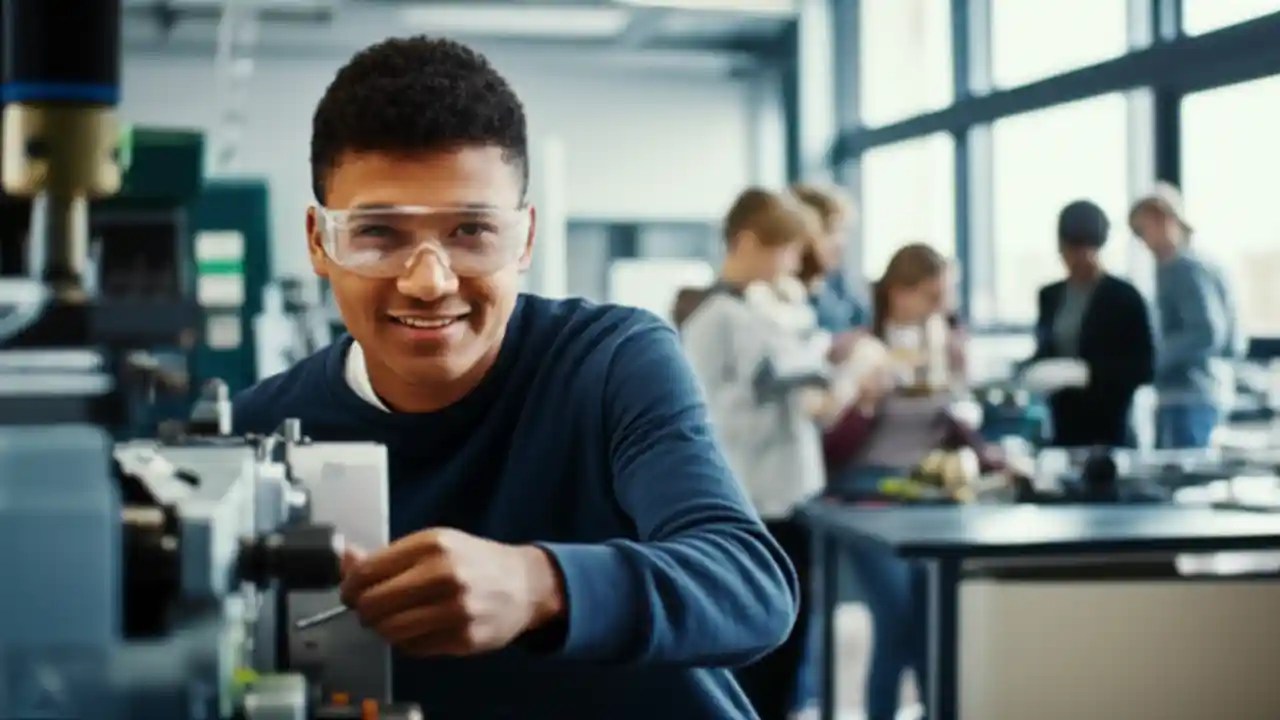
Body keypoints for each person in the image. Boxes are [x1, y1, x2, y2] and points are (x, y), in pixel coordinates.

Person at [231, 36, 798, 720]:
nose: (429, 282)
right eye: (378, 234)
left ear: (525, 239)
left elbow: (751, 587)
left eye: (472, 231)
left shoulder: (611, 362)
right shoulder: (250, 436)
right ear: (320, 242)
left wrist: (540, 585)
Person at [820, 243, 996, 720]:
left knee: (931, 623)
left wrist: (988, 451)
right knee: (894, 617)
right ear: (898, 293)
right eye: (930, 297)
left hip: (927, 495)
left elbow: (955, 424)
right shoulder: (859, 348)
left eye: (945, 298)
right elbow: (830, 444)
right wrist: (867, 402)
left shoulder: (949, 348)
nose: (940, 309)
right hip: (866, 495)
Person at [681, 188, 832, 720]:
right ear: (748, 241)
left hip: (788, 495)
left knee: (788, 649)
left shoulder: (761, 310)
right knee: (761, 653)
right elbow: (703, 421)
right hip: (755, 500)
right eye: (785, 249)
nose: (793, 264)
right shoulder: (713, 318)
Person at [1026, 200, 1156, 448]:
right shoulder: (1050, 296)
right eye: (1070, 250)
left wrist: (1087, 374)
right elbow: (1045, 348)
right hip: (1062, 423)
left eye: (1085, 250)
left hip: (1110, 424)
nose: (1077, 259)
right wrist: (1035, 371)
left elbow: (1144, 368)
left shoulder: (1124, 297)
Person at [1130, 183, 1243, 449]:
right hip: (1198, 393)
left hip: (1189, 396)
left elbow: (1207, 333)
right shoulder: (1202, 264)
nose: (1143, 241)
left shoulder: (1184, 268)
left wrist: (1152, 360)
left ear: (1163, 219)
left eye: (1142, 230)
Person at [791, 183, 872, 334]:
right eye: (831, 231)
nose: (841, 242)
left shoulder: (837, 281)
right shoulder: (785, 291)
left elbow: (862, 322)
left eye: (844, 231)